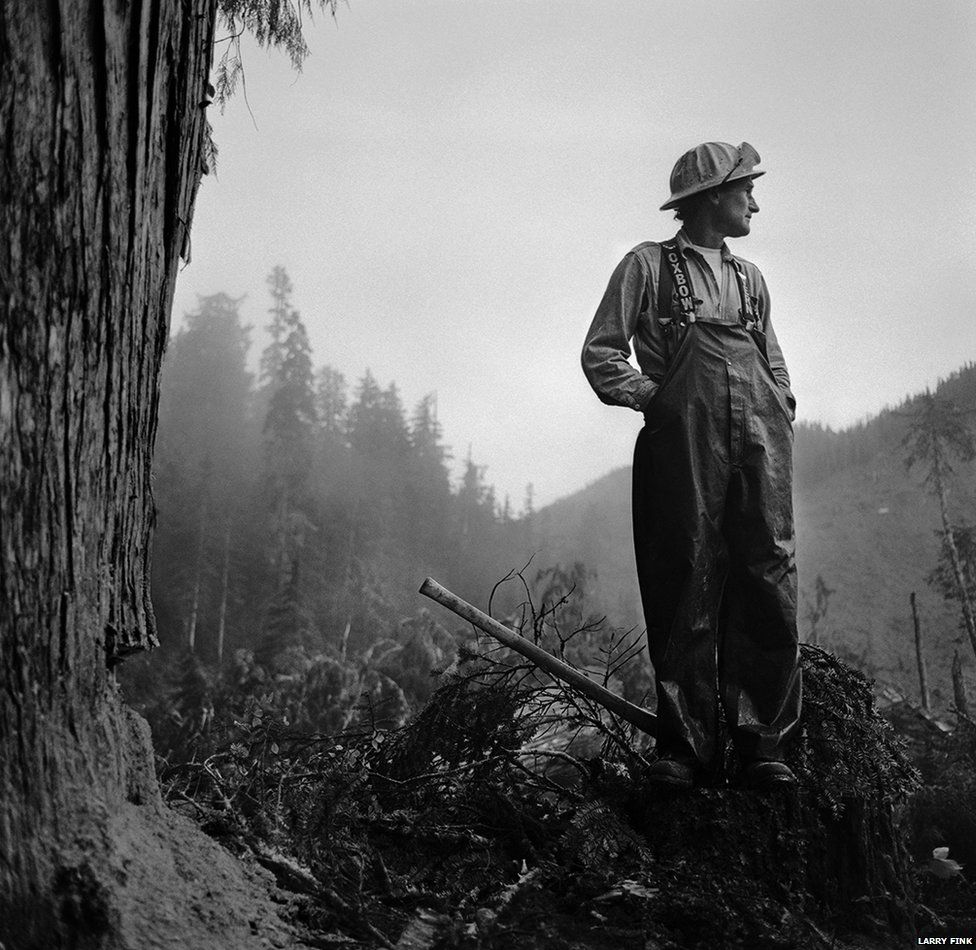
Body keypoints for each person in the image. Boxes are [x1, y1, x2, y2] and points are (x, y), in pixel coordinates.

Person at [580, 142, 801, 791]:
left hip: (760, 441)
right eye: (745, 190)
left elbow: (774, 361)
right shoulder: (646, 266)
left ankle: (764, 746)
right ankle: (686, 749)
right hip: (683, 443)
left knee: (768, 574)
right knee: (686, 576)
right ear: (712, 196)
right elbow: (601, 353)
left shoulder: (751, 279)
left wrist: (781, 405)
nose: (754, 203)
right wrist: (659, 401)